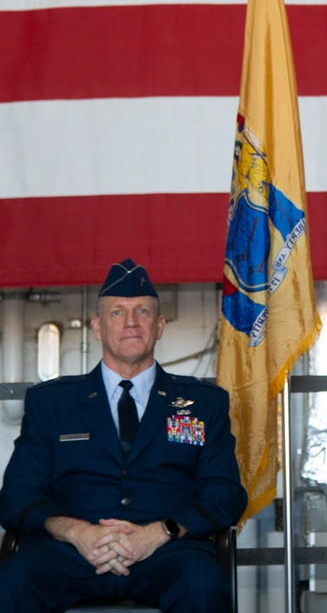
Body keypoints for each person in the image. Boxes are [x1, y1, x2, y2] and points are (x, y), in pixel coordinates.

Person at [0, 259, 247, 612]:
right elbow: (17, 495)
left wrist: (159, 532)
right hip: (69, 554)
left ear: (159, 326)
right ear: (97, 327)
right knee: (12, 582)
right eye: (117, 312)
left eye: (142, 311)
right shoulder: (52, 402)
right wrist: (76, 532)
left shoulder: (204, 403)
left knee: (204, 585)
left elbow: (225, 492)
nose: (130, 322)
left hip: (166, 554)